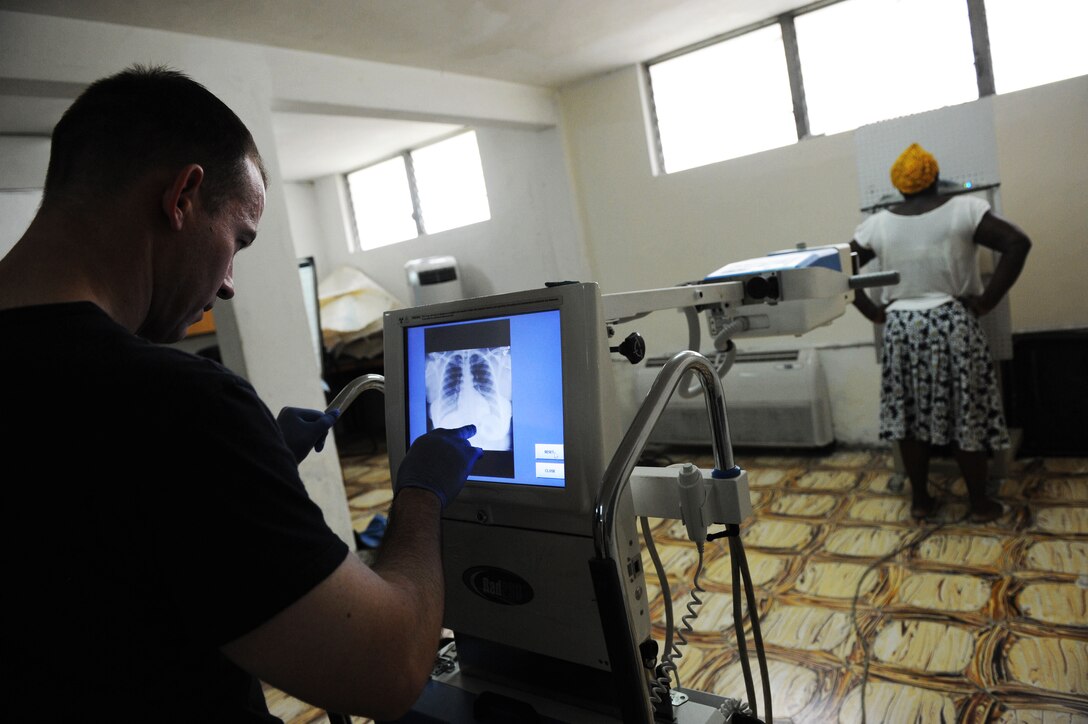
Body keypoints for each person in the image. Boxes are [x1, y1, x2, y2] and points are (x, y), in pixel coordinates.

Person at [0, 65, 482, 722]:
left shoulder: (161, 428)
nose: (228, 282)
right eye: (238, 240)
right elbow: (388, 670)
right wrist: (422, 494)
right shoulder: (177, 407)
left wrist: (245, 467)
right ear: (183, 197)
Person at [850, 142, 1031, 524]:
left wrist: (872, 312)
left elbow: (839, 267)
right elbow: (1017, 242)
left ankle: (921, 502)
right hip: (952, 324)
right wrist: (987, 301)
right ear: (934, 178)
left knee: (910, 418)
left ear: (899, 186)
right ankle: (979, 504)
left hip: (901, 329)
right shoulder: (965, 209)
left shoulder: (877, 224)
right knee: (966, 412)